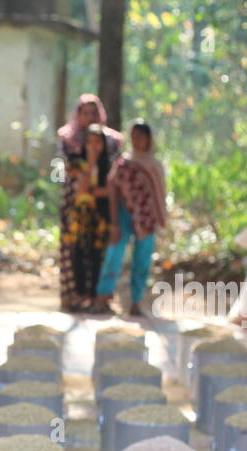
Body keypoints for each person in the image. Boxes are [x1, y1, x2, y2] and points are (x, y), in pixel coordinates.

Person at [57, 95, 122, 311]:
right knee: (74, 252)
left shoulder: (112, 141)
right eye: (85, 113)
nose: (90, 117)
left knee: (99, 254)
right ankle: (73, 298)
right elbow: (63, 174)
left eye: (94, 112)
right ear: (78, 114)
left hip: (103, 207)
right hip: (75, 205)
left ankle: (100, 298)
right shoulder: (67, 139)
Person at [95, 121, 167, 317]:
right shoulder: (122, 163)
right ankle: (103, 297)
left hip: (146, 218)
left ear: (148, 139)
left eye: (141, 137)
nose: (137, 141)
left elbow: (158, 194)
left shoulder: (155, 165)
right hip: (123, 215)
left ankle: (136, 302)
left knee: (142, 261)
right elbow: (113, 192)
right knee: (114, 255)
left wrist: (159, 219)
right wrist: (114, 221)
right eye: (134, 136)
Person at [61, 125, 113, 312]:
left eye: (97, 142)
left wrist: (97, 191)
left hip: (100, 219)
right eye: (89, 142)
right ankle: (80, 297)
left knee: (97, 258)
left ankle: (96, 298)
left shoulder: (109, 165)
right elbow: (80, 189)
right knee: (79, 256)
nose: (94, 146)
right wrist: (90, 162)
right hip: (81, 218)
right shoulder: (77, 164)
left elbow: (111, 191)